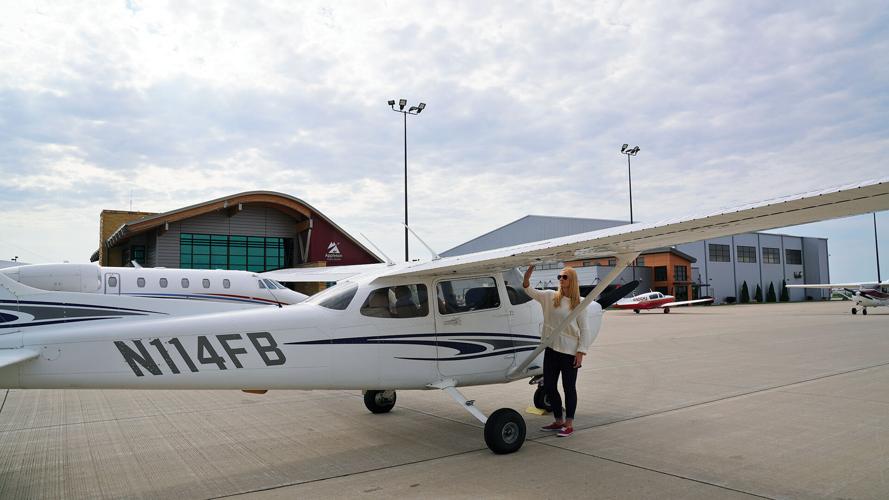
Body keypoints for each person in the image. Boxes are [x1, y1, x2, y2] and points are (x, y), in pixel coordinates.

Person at [522, 264, 592, 437]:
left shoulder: (580, 303)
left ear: (572, 280)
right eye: (559, 277)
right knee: (550, 386)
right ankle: (558, 420)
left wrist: (581, 352)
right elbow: (530, 291)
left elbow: (585, 330)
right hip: (551, 350)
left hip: (570, 353)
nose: (561, 279)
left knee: (569, 388)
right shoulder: (550, 297)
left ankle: (569, 423)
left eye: (564, 277)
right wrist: (526, 280)